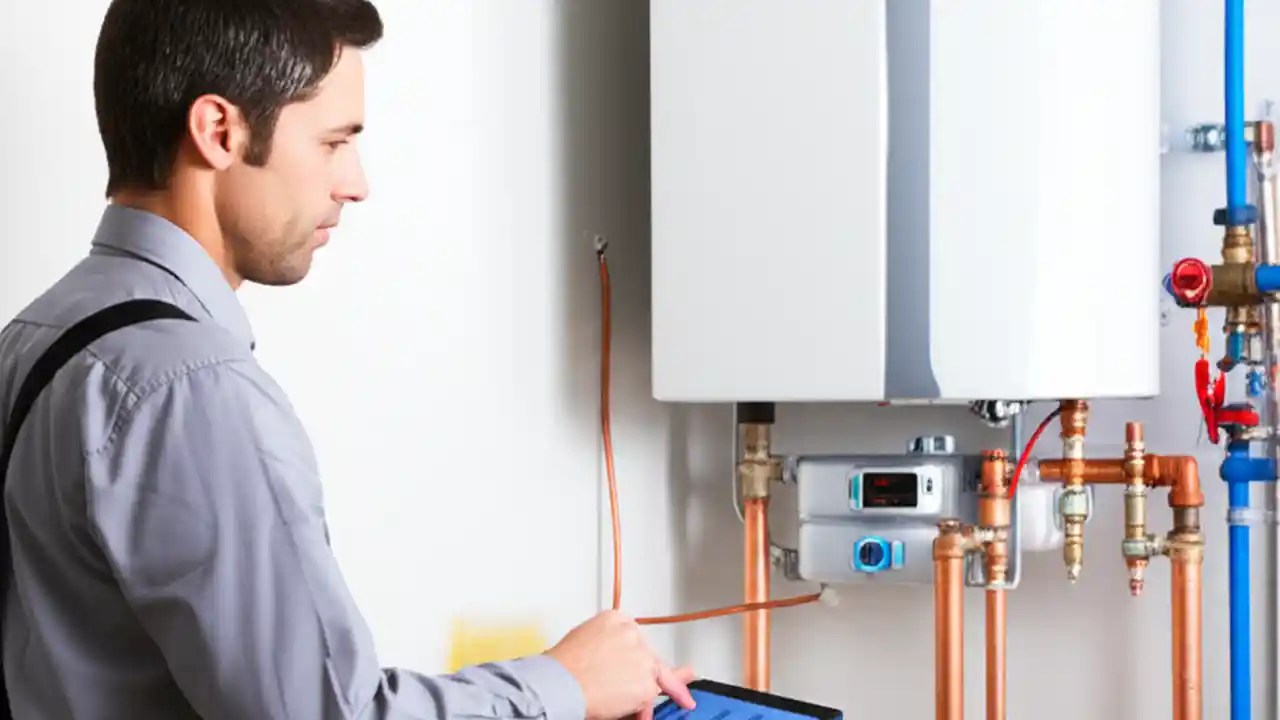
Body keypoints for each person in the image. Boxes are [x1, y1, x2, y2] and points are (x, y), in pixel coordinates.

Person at [0, 1, 696, 718]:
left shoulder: (35, 338)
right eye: (334, 143)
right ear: (219, 131)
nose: (354, 182)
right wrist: (564, 685)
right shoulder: (190, 388)